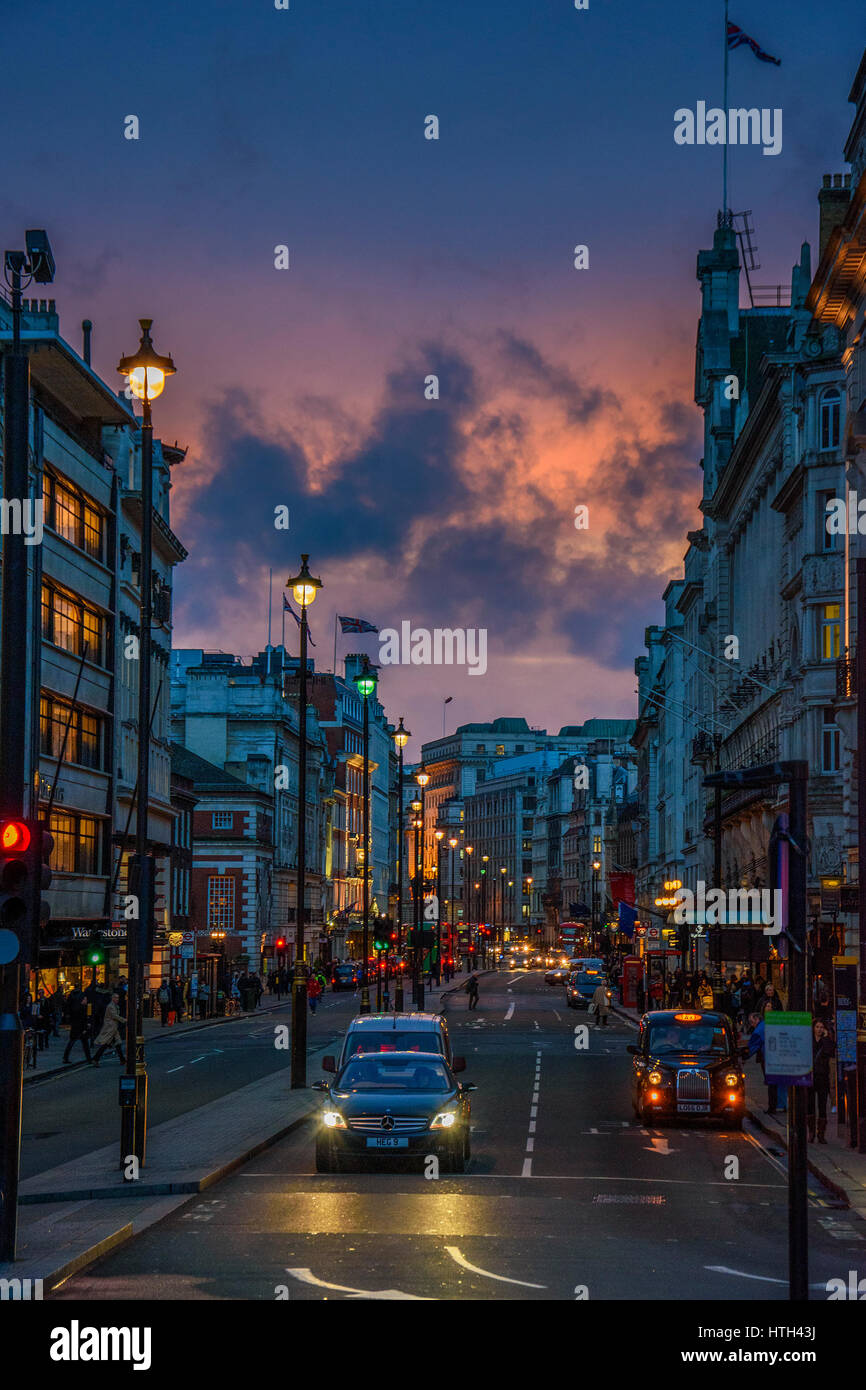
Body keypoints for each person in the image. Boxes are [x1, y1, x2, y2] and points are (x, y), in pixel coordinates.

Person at [748, 1011, 787, 1115]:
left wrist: (743, 1056)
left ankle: (772, 1107)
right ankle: (783, 1105)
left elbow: (752, 1046)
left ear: (757, 1019)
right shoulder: (768, 1025)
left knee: (771, 1084)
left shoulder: (759, 1030)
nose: (752, 1025)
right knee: (781, 1083)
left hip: (769, 1059)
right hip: (779, 1057)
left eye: (752, 1022)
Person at [808, 1020, 835, 1144]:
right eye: (817, 1027)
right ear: (813, 1028)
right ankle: (811, 1132)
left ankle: (821, 1134)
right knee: (810, 1105)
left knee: (822, 1105)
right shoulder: (809, 1041)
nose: (819, 1029)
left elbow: (830, 1051)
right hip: (811, 1076)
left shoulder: (826, 1041)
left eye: (821, 1027)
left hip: (822, 1076)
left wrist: (825, 1037)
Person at [92, 993, 126, 1066]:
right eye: (116, 998)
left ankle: (122, 1060)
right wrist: (124, 1020)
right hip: (110, 1028)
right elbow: (114, 1016)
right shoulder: (110, 1006)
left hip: (114, 1028)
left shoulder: (115, 1006)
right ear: (112, 998)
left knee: (118, 1043)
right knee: (105, 1044)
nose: (117, 999)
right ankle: (95, 1059)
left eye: (118, 998)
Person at [63, 987, 93, 1064]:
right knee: (75, 1042)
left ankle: (89, 1059)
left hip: (79, 1028)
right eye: (85, 999)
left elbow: (87, 1016)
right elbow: (82, 1019)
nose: (86, 1000)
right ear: (81, 1000)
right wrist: (86, 1026)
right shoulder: (79, 1009)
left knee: (82, 1043)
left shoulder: (84, 1007)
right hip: (78, 1028)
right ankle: (88, 1059)